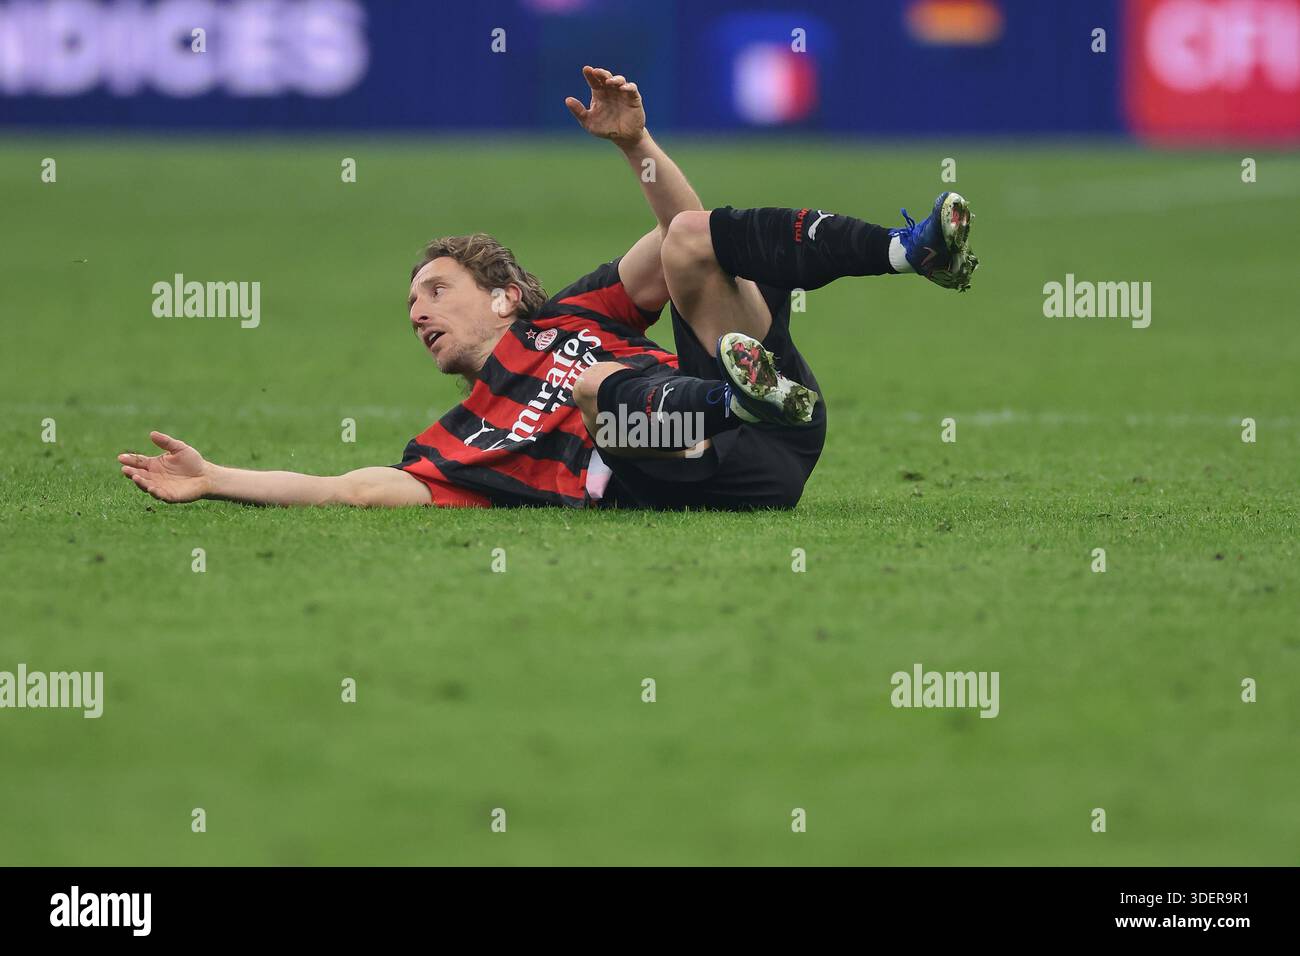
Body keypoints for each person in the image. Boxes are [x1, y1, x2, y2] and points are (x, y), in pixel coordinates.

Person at [117, 66, 977, 511]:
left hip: (788, 429)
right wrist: (216, 475)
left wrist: (633, 144)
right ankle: (739, 402)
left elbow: (697, 237)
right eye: (411, 303)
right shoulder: (457, 444)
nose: (416, 310)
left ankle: (907, 254)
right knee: (600, 385)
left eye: (434, 289)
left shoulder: (571, 314)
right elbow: (351, 488)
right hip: (695, 469)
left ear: (500, 297)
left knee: (684, 239)